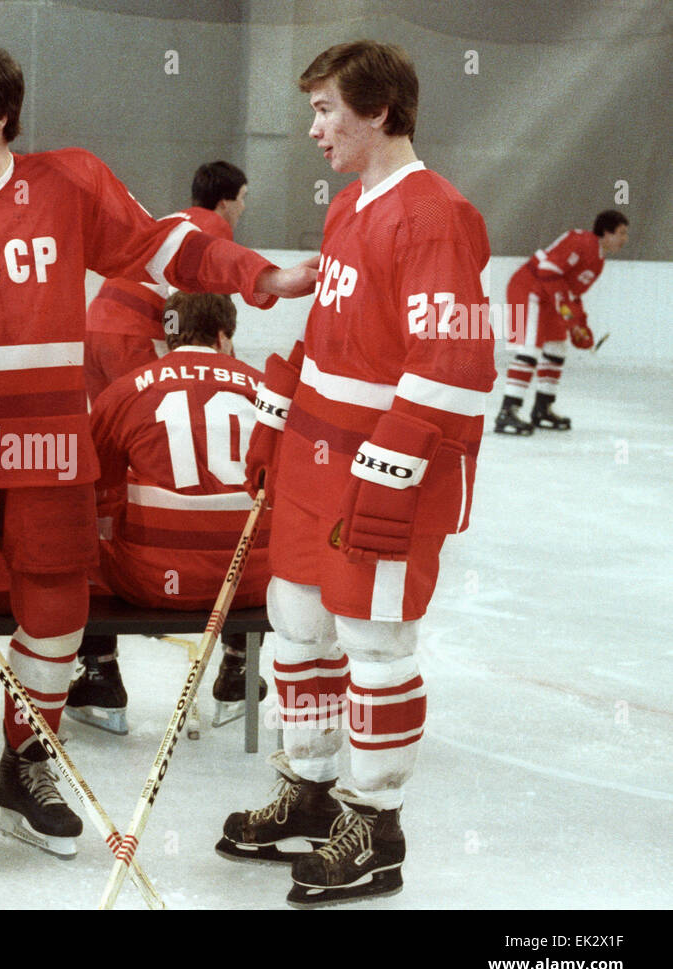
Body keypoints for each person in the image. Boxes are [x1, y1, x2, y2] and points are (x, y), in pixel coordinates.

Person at [0, 42, 316, 864]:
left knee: (58, 609)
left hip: (51, 448)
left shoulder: (68, 183)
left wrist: (258, 277)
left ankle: (28, 762)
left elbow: (167, 247)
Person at [214, 40, 495, 908]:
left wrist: (394, 464)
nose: (313, 128)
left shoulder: (435, 214)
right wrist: (278, 415)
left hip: (383, 474)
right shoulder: (348, 208)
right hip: (315, 463)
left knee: (374, 643)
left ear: (379, 111)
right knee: (298, 624)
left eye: (327, 109)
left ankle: (375, 824)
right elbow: (334, 338)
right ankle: (308, 788)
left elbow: (452, 360)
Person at [70, 292, 272, 735]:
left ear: (168, 335)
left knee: (78, 526)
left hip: (149, 582)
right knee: (262, 514)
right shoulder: (265, 389)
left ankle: (100, 675)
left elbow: (92, 491)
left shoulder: (126, 390)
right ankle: (238, 667)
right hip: (252, 584)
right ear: (223, 336)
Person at [83, 161, 249, 404]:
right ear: (225, 202)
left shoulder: (170, 220)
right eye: (242, 198)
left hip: (95, 329)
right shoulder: (212, 226)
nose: (243, 207)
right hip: (133, 337)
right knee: (157, 424)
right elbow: (201, 307)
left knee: (107, 430)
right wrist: (228, 363)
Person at [494, 210, 629, 434]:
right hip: (530, 289)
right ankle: (507, 412)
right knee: (529, 349)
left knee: (557, 348)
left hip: (549, 296)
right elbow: (547, 272)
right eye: (622, 233)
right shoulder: (581, 241)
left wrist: (580, 325)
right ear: (606, 232)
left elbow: (573, 295)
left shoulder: (598, 260)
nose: (625, 239)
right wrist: (570, 319)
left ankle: (542, 409)